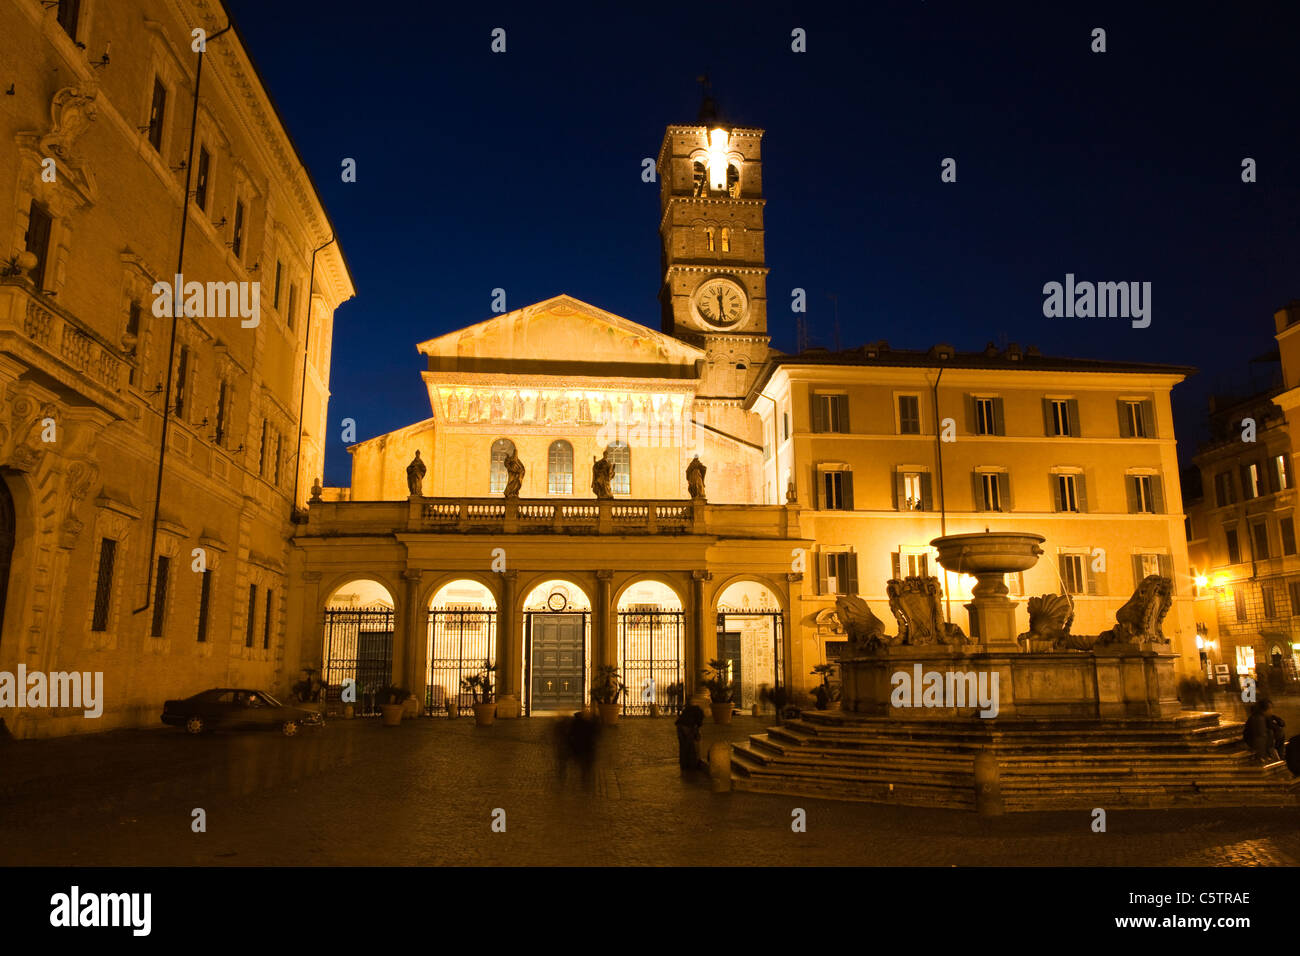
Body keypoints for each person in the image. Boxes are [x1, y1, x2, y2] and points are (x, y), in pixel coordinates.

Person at [675, 702, 707, 772]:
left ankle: (684, 764)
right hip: (687, 726)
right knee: (690, 745)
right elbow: (696, 727)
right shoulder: (698, 716)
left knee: (683, 746)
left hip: (680, 726)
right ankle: (691, 764)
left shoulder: (691, 711)